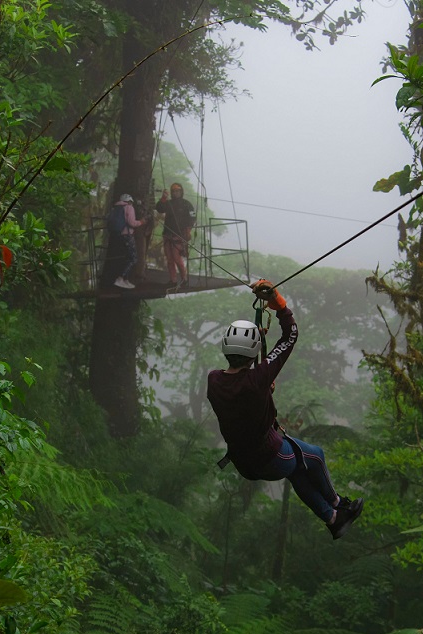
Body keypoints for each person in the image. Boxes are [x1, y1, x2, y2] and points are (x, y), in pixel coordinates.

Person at [206, 280, 364, 539]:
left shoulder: (215, 381)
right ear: (254, 351)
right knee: (315, 456)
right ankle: (338, 504)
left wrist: (264, 387)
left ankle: (333, 519)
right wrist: (277, 302)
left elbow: (240, 392)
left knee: (298, 473)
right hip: (270, 457)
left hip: (244, 463)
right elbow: (290, 335)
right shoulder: (258, 378)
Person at [155, 183, 195, 288]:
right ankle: (173, 280)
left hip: (179, 235)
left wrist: (188, 230)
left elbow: (192, 218)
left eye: (178, 191)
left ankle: (184, 279)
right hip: (168, 234)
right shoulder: (168, 203)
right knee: (169, 259)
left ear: (181, 192)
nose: (176, 193)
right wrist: (164, 197)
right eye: (174, 191)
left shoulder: (187, 204)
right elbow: (159, 208)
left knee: (177, 258)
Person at [111, 193, 143, 290]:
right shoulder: (129, 207)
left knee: (127, 257)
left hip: (118, 235)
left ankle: (126, 280)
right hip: (127, 235)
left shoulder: (115, 208)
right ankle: (120, 278)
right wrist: (141, 222)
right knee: (133, 258)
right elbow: (131, 222)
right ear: (130, 201)